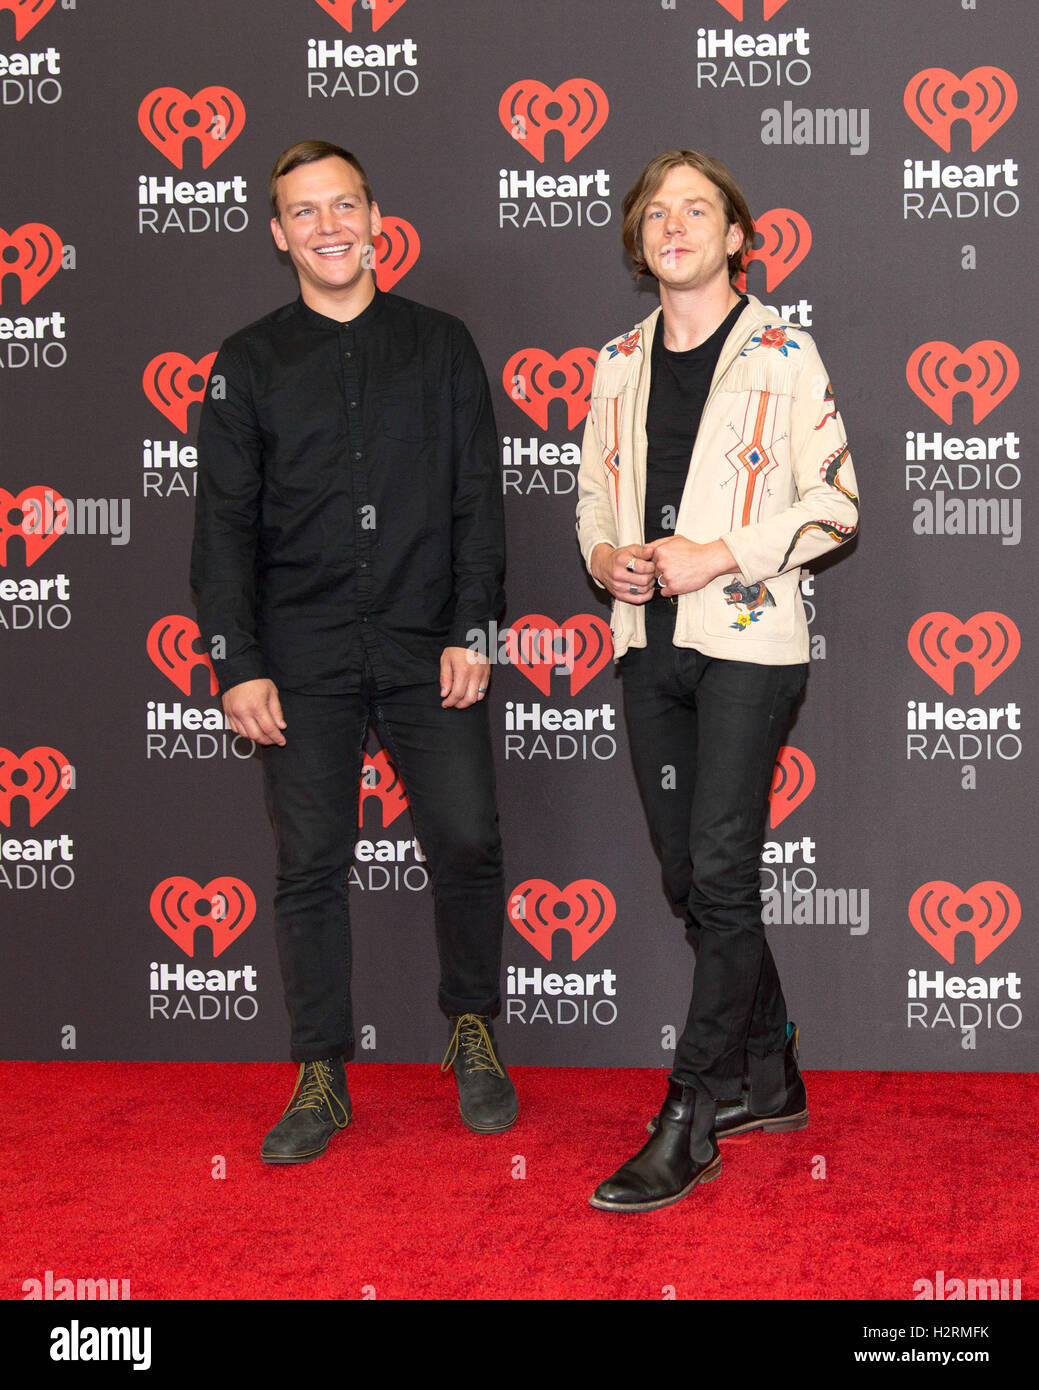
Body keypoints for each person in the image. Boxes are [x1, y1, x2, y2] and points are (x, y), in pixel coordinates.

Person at [190, 140, 516, 1164]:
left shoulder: (441, 343)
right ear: (278, 232)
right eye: (304, 211)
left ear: (376, 216)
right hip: (299, 651)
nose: (328, 226)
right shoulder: (246, 361)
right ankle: (320, 1072)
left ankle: (471, 1030)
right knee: (310, 864)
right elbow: (222, 528)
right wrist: (236, 661)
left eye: (344, 205)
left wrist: (474, 629)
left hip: (428, 640)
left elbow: (477, 500)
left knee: (465, 837)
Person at [576, 149, 859, 1213]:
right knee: (691, 880)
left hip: (748, 640)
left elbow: (835, 503)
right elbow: (590, 501)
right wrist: (610, 558)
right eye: (657, 211)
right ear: (638, 239)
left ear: (738, 237)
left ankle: (692, 1112)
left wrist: (720, 554)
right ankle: (772, 1074)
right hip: (646, 640)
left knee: (723, 867)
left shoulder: (784, 351)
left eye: (698, 209)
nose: (675, 224)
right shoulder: (615, 361)